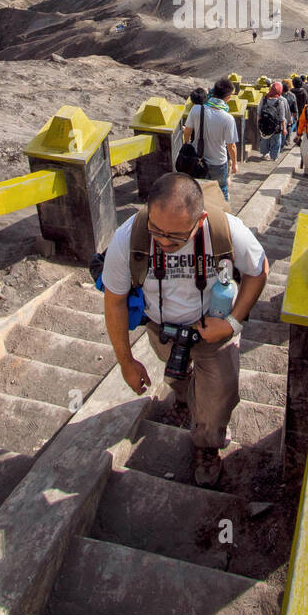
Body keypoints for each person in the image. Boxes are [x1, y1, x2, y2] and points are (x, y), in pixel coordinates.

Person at [101, 173, 269, 486]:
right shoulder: (130, 238)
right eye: (157, 231)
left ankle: (207, 443)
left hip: (212, 331)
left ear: (200, 219)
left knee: (219, 392)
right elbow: (114, 302)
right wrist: (125, 361)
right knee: (178, 377)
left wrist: (231, 323)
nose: (164, 243)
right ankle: (186, 397)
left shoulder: (226, 231)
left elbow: (259, 271)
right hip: (162, 329)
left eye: (176, 238)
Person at [183, 77, 238, 202]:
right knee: (222, 188)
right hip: (218, 162)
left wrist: (187, 144)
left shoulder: (196, 109)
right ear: (228, 97)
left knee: (200, 191)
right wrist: (234, 163)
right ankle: (223, 214)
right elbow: (231, 146)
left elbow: (187, 131)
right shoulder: (228, 118)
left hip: (198, 158)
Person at [256, 81, 288, 160]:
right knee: (276, 141)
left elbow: (259, 113)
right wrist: (284, 128)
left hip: (264, 123)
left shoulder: (264, 99)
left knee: (264, 139)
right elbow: (282, 117)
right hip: (276, 125)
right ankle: (274, 157)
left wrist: (259, 124)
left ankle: (264, 154)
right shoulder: (280, 102)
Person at [281, 80, 298, 148]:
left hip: (280, 114)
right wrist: (295, 116)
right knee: (289, 126)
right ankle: (287, 140)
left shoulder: (278, 95)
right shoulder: (292, 96)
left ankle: (281, 142)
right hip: (289, 114)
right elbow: (294, 107)